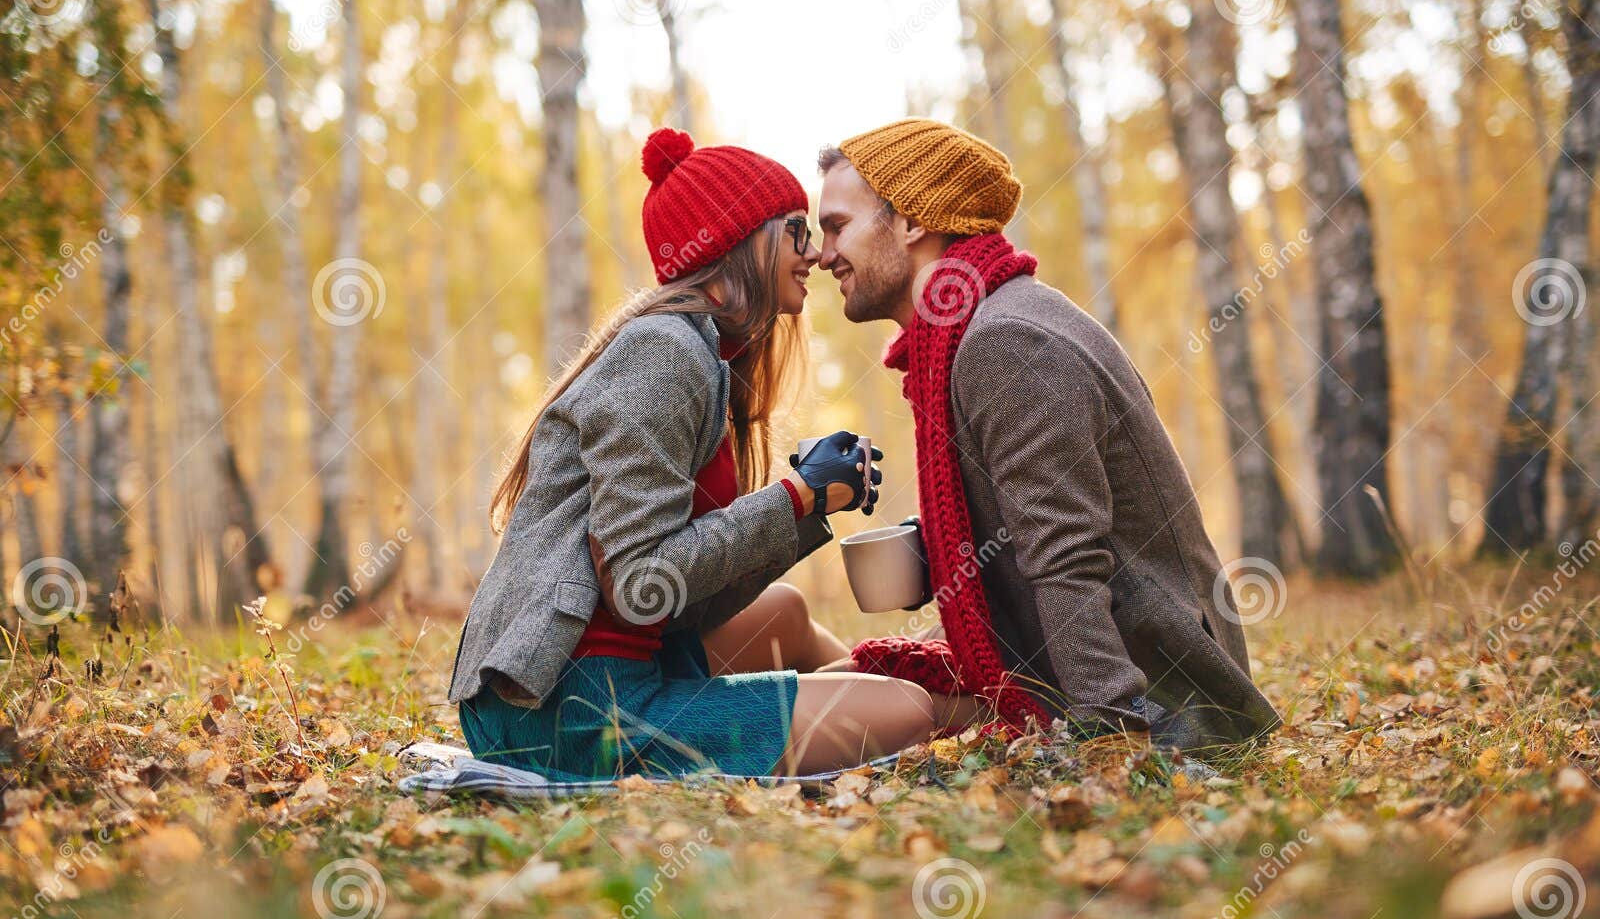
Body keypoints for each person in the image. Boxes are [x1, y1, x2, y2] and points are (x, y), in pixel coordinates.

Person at [448, 127, 983, 780]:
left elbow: (676, 599)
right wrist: (798, 496)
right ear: (742, 242)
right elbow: (643, 588)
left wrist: (803, 502)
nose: (813, 254)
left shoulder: (699, 353)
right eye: (795, 231)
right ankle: (962, 705)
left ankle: (947, 695)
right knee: (907, 713)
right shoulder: (666, 352)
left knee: (788, 611)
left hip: (611, 669)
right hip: (572, 711)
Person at [815, 118, 1281, 752]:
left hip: (1165, 704)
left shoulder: (1006, 341)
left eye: (837, 225)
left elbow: (1067, 558)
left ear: (912, 220)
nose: (823, 253)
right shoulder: (976, 328)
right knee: (840, 684)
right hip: (1067, 664)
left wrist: (1106, 741)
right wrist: (939, 552)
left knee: (826, 713)